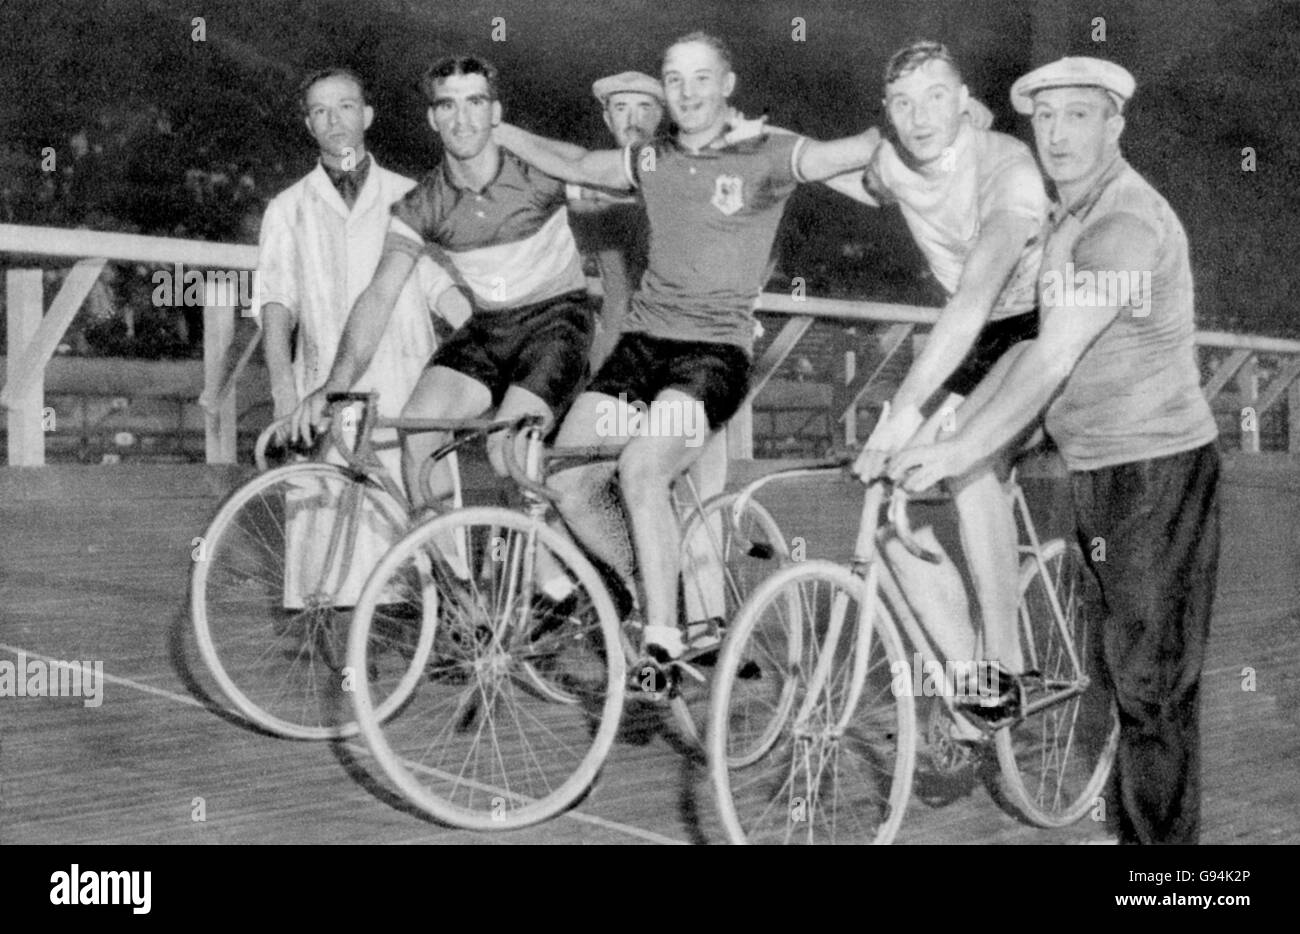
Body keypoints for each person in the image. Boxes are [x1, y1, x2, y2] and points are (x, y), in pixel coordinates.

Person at [891, 56, 1221, 845]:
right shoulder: (1069, 215)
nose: (1058, 133)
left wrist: (959, 444)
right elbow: (1021, 360)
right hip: (1097, 465)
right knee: (1127, 672)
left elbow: (1049, 359)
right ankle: (990, 673)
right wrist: (951, 433)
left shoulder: (1124, 224)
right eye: (1045, 118)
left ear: (1116, 124)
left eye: (1079, 115)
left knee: (1149, 691)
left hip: (1158, 473)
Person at [493, 31, 888, 674]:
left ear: (727, 85)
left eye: (702, 78)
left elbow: (859, 150)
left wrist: (930, 124)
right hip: (642, 350)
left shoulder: (771, 152)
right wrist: (500, 131)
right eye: (674, 80)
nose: (687, 92)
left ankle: (667, 637)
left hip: (710, 360)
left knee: (644, 470)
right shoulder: (654, 159)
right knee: (566, 477)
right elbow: (583, 164)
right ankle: (642, 587)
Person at [828, 40, 1051, 728]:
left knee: (967, 462)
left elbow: (973, 301)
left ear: (963, 103)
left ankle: (1007, 671)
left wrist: (900, 412)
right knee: (892, 496)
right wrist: (770, 149)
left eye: (935, 98)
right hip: (979, 340)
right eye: (902, 102)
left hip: (1043, 330)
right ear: (888, 112)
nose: (919, 117)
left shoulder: (1008, 167)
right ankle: (968, 681)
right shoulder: (894, 161)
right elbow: (856, 178)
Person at [293, 55, 593, 520]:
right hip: (492, 327)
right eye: (448, 106)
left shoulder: (539, 174)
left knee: (505, 445)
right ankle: (447, 579)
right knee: (418, 427)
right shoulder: (422, 203)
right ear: (433, 118)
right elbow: (379, 295)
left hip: (557, 321)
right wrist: (334, 385)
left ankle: (550, 573)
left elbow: (605, 176)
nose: (463, 118)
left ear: (495, 112)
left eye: (475, 102)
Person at [255, 67, 468, 604]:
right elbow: (276, 305)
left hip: (406, 379)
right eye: (321, 111)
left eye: (346, 106)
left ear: (367, 115)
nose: (335, 120)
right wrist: (283, 389)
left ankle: (448, 623)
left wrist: (491, 345)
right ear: (308, 124)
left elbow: (442, 289)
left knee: (421, 513)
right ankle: (347, 646)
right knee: (332, 536)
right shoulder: (286, 209)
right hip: (326, 384)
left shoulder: (411, 195)